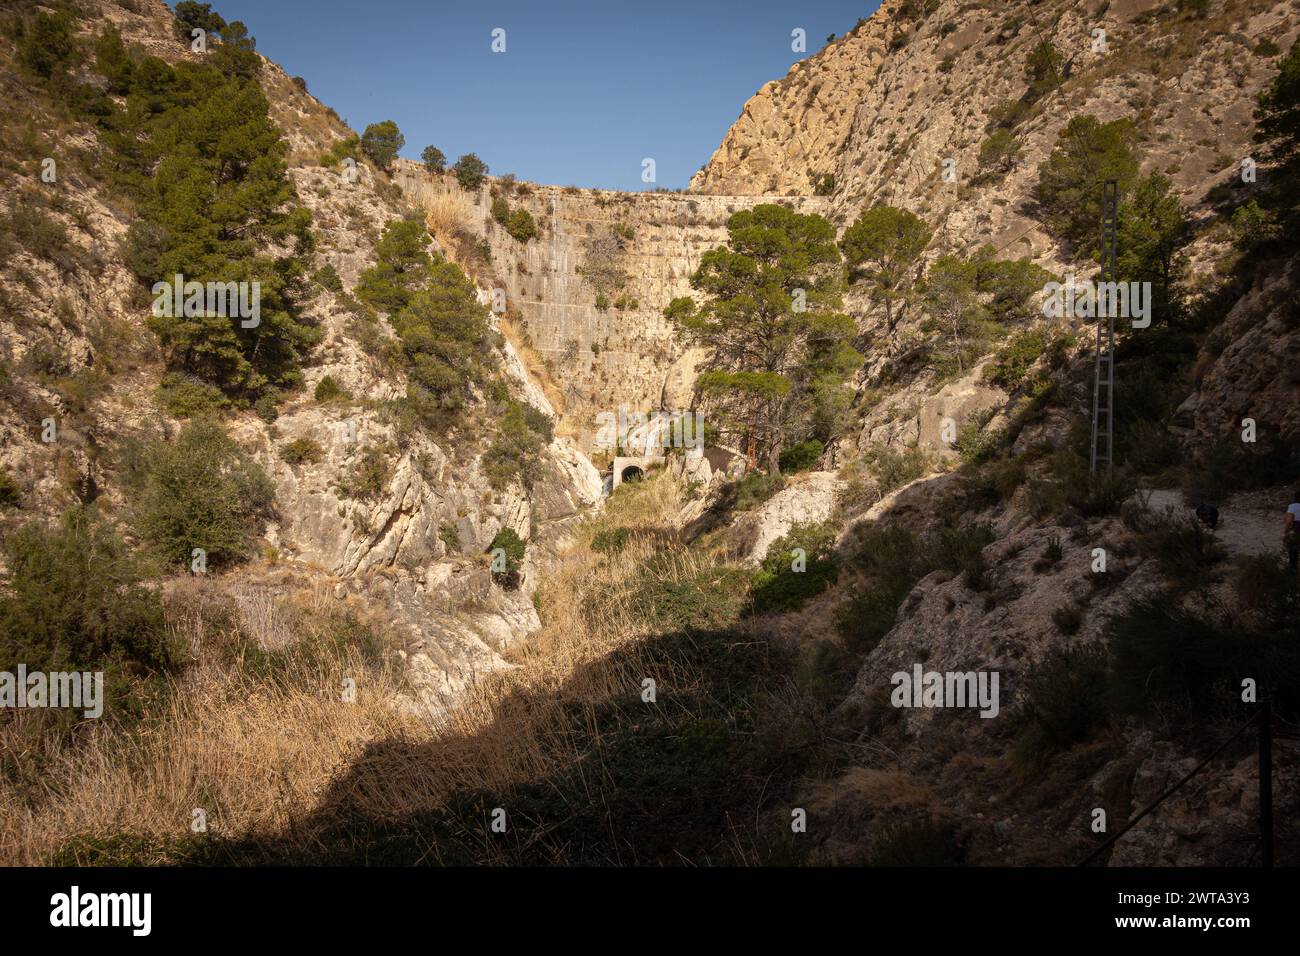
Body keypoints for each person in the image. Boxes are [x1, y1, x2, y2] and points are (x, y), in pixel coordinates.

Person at [1285, 490, 1300, 571]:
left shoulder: (1293, 506)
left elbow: (1289, 520)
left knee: (1292, 550)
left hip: (1296, 530)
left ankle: (1292, 569)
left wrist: (1286, 531)